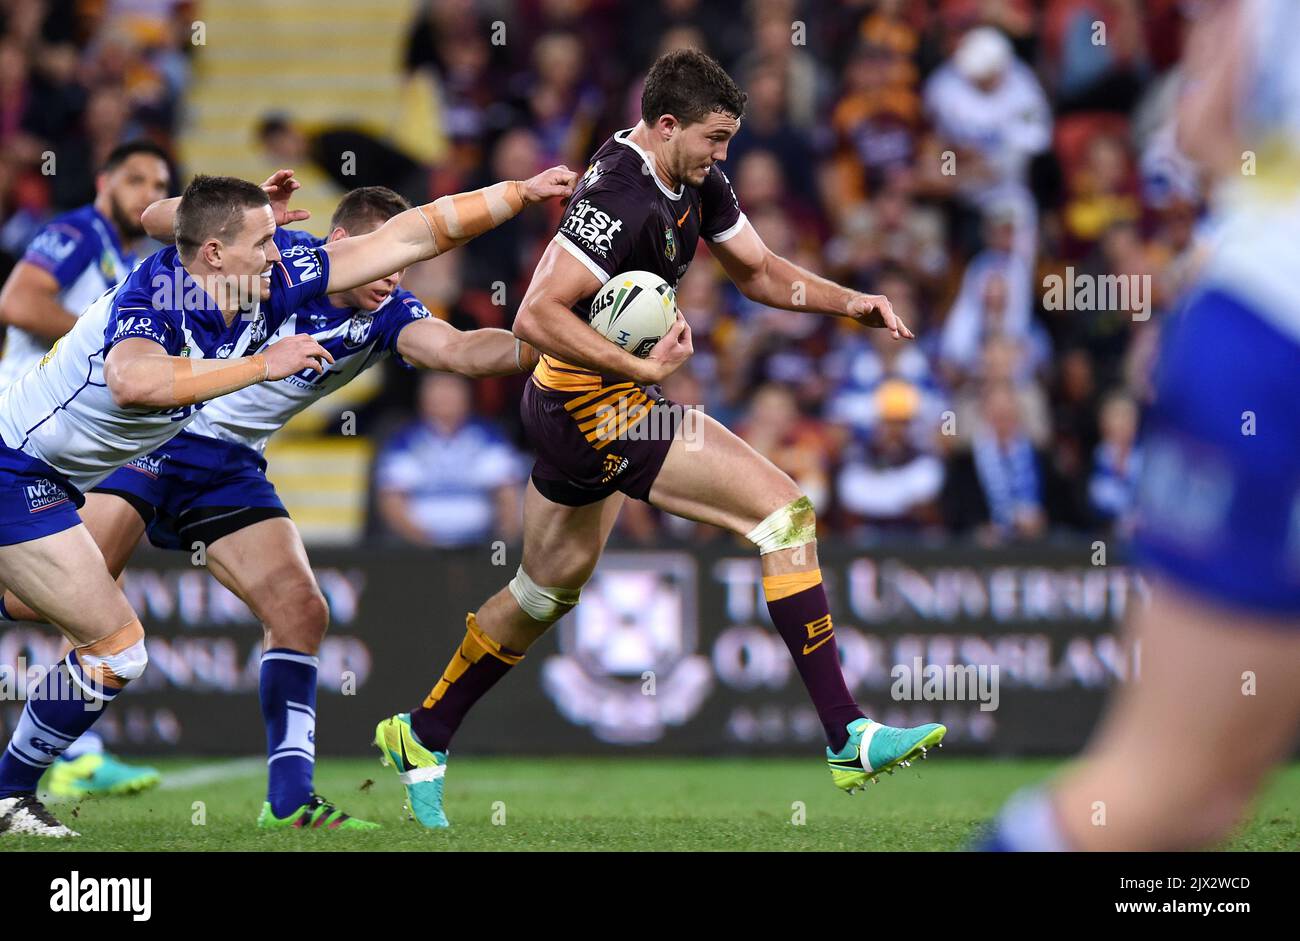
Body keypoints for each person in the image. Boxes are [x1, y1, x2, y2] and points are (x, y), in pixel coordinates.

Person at [373, 49, 946, 830]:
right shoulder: (617, 196)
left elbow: (759, 272)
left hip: (580, 405)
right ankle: (848, 734)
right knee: (785, 516)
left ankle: (422, 731)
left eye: (730, 140)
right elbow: (535, 316)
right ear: (667, 124)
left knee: (543, 592)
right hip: (595, 406)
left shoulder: (693, 176)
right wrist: (639, 365)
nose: (723, 155)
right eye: (714, 138)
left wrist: (855, 304)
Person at [0, 164, 575, 837]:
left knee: (296, 609)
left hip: (212, 463)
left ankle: (288, 796)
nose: (278, 255)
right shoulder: (167, 290)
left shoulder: (296, 277)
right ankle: (20, 785)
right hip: (123, 450)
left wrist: (518, 198)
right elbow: (136, 364)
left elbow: (422, 243)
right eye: (262, 243)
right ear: (219, 250)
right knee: (59, 615)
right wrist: (259, 351)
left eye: (277, 241)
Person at [980, 0, 1300, 851]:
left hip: (1263, 319)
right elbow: (1205, 125)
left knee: (1189, 796)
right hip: (1277, 332)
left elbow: (1204, 128)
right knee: (1171, 796)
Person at [0, 140, 171, 799]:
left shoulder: (129, 260)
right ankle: (71, 750)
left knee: (90, 590)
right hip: (27, 430)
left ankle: (77, 746)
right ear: (104, 182)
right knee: (83, 595)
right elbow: (18, 301)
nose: (145, 192)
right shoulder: (78, 231)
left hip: (64, 444)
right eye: (134, 179)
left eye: (158, 182)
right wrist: (105, 341)